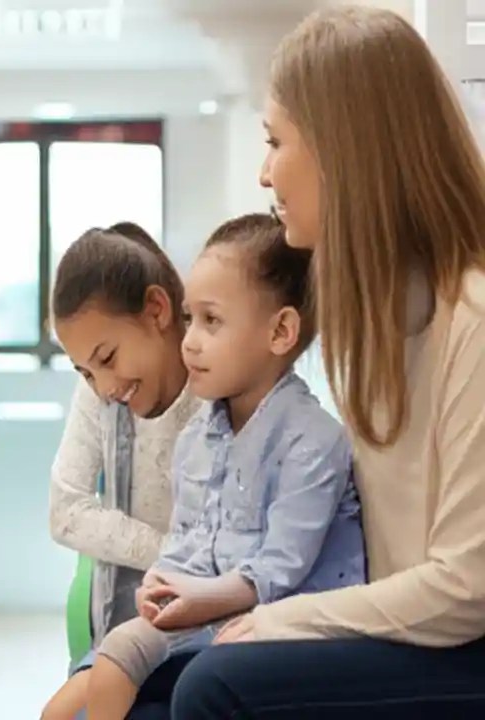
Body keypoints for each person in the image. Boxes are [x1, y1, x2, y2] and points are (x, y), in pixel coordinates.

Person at [171, 6, 485, 718]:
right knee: (159, 684)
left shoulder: (474, 321)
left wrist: (278, 621)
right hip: (412, 635)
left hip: (466, 645)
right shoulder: (369, 328)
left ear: (346, 151)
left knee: (214, 687)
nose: (263, 172)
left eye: (276, 141)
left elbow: (467, 590)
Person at [41, 214, 365, 720]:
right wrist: (169, 578)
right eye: (193, 320)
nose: (103, 388)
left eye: (208, 321)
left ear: (156, 310)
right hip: (190, 603)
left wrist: (191, 591)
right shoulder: (203, 436)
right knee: (62, 707)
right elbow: (184, 540)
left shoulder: (309, 438)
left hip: (254, 615)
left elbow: (278, 572)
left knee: (130, 681)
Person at [48, 222, 204, 719]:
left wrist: (191, 580)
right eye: (85, 372)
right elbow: (65, 509)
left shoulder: (218, 380)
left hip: (212, 620)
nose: (103, 388)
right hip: (139, 620)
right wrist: (169, 561)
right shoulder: (105, 388)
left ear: (158, 310)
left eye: (107, 360)